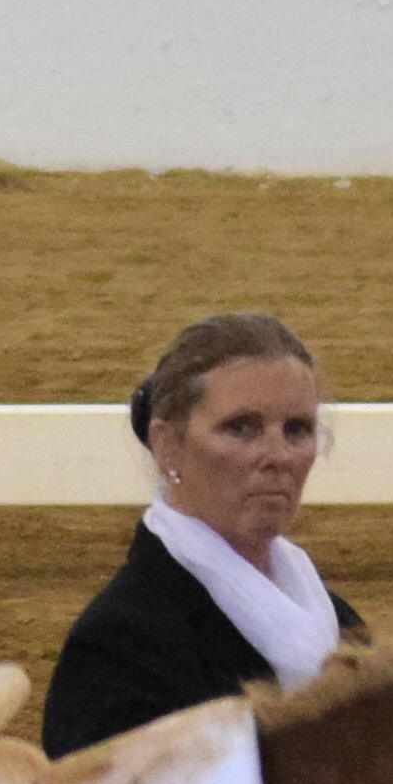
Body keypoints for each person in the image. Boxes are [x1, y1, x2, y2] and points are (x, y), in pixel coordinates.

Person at [41, 311, 364, 756]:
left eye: (297, 430)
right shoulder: (119, 647)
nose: (278, 456)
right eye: (241, 427)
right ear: (166, 445)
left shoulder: (342, 625)